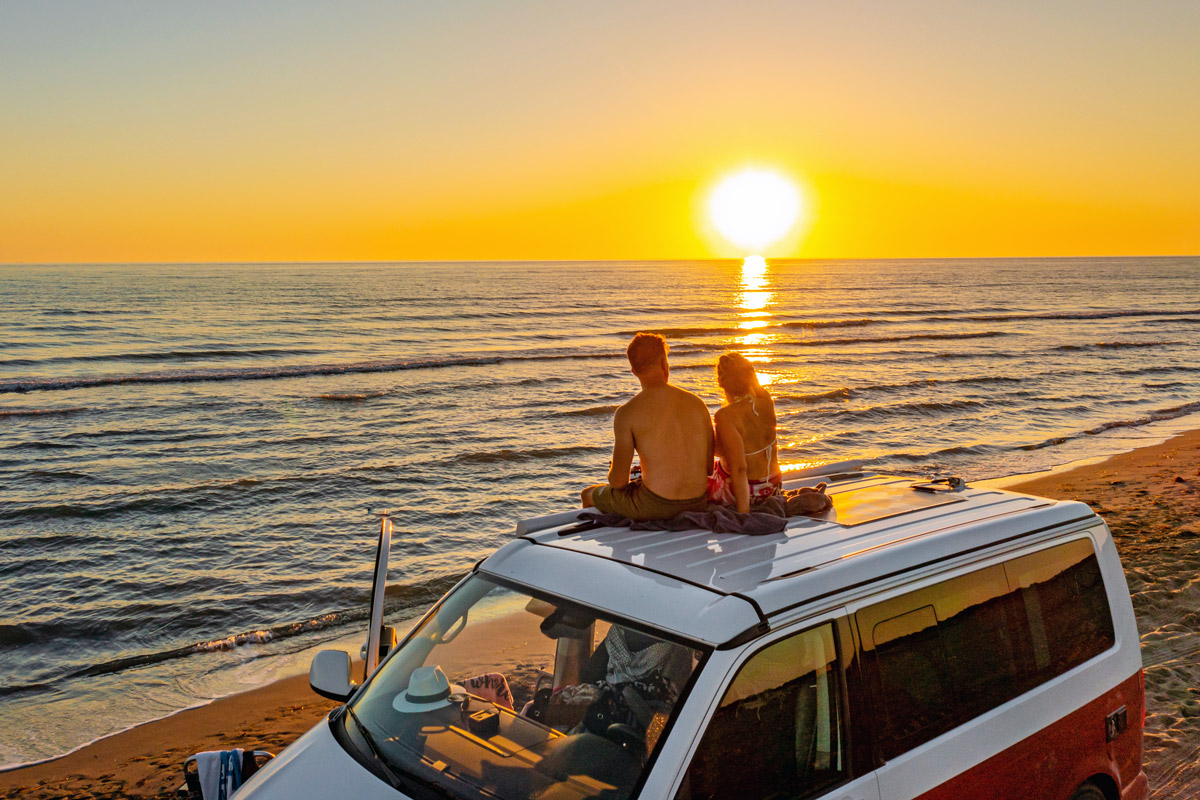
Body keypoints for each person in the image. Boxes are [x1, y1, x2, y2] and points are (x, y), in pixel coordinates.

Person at [581, 333, 713, 520]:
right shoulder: (697, 404)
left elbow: (618, 482)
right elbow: (708, 468)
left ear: (634, 371)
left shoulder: (627, 413)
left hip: (656, 506)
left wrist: (614, 472)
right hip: (697, 502)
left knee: (588, 494)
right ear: (664, 364)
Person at [708, 352, 781, 513]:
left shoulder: (725, 416)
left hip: (745, 493)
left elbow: (740, 468)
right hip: (773, 486)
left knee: (700, 471)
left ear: (720, 382)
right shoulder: (766, 400)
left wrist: (744, 514)